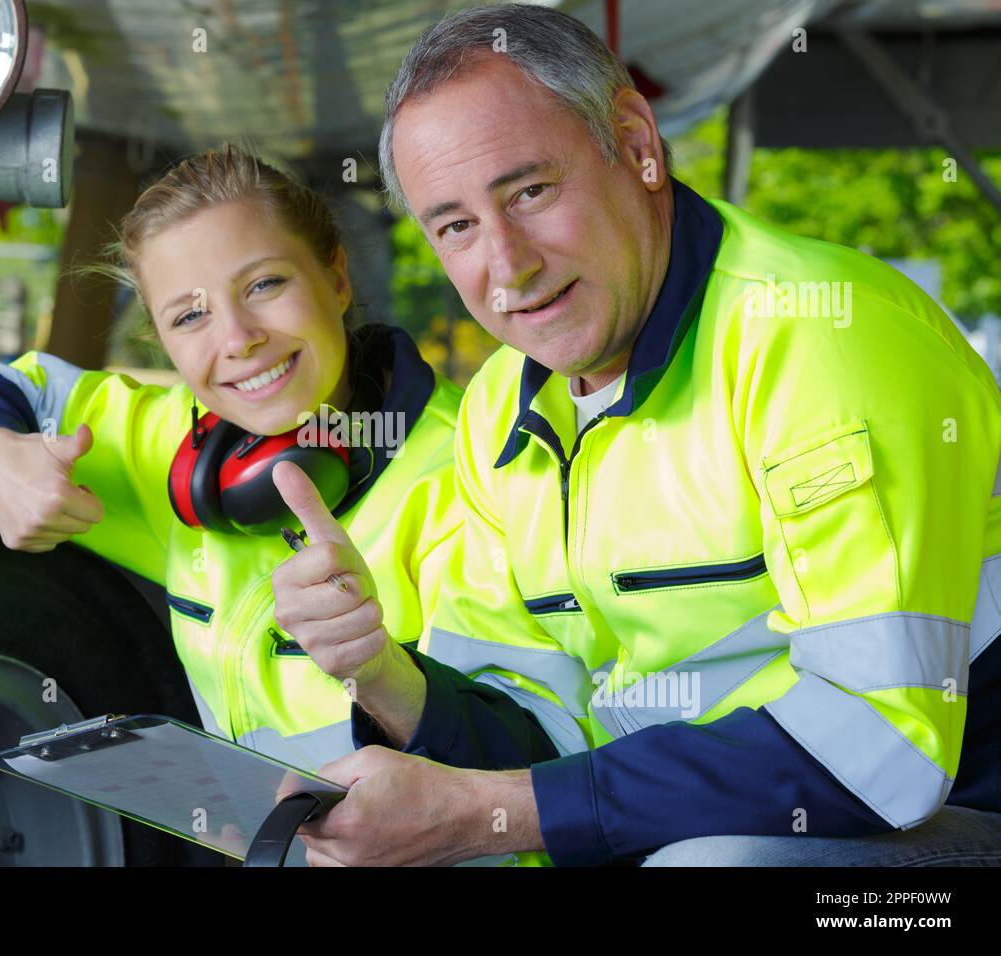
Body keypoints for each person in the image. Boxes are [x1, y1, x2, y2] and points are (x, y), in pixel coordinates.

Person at [270, 4, 1001, 866]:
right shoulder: (497, 406)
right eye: (456, 226)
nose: (507, 266)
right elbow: (538, 733)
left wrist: (487, 810)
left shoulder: (820, 337)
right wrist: (381, 673)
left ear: (638, 145)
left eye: (530, 191)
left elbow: (884, 752)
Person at [0, 144, 465, 789]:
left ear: (337, 279)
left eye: (264, 285)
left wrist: (384, 675)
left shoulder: (472, 467)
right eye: (190, 316)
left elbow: (523, 755)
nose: (236, 339)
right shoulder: (170, 445)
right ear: (160, 341)